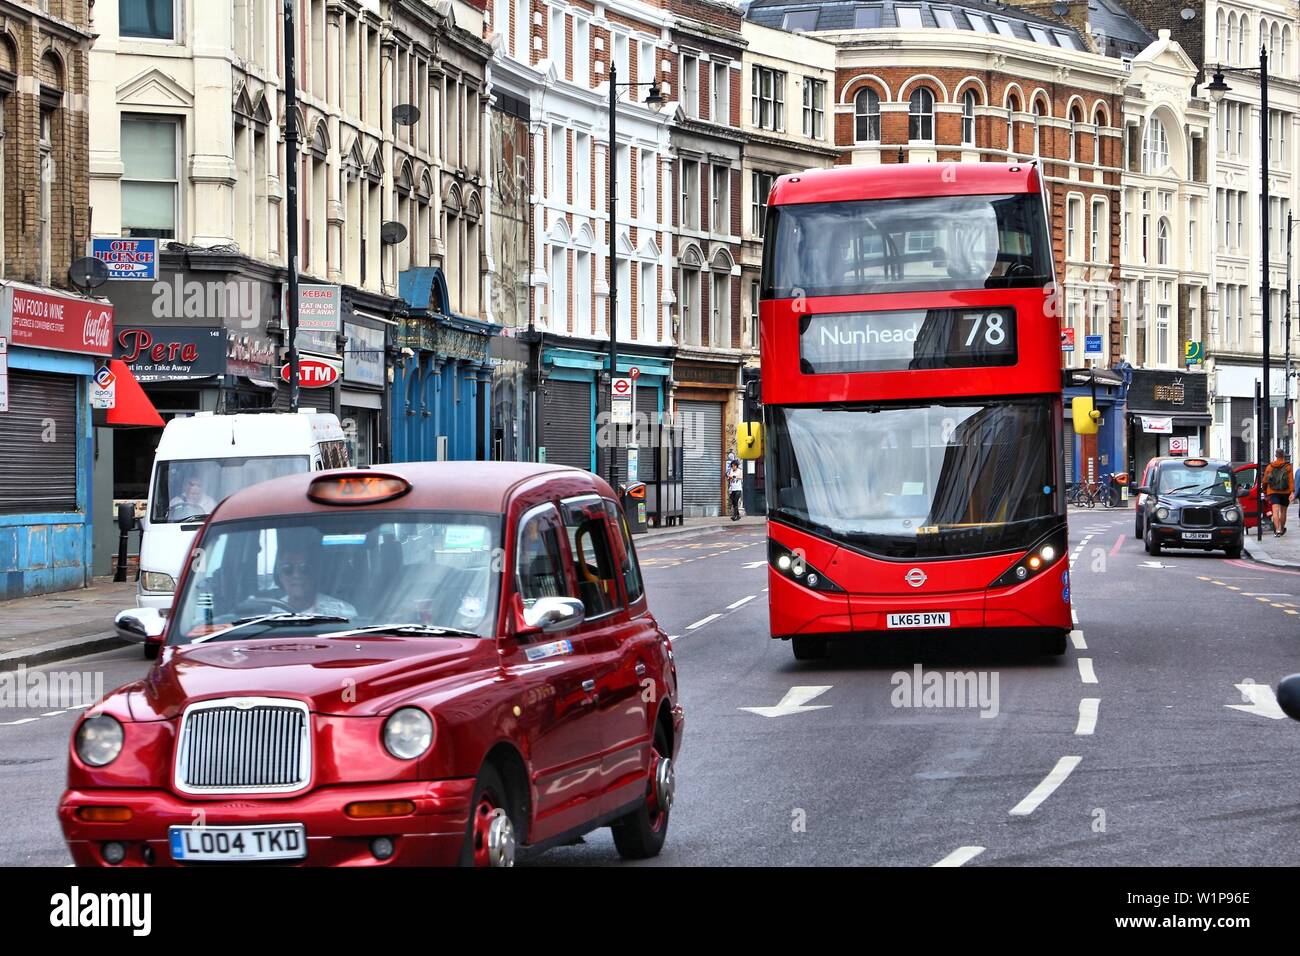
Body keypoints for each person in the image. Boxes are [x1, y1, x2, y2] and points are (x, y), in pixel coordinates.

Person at [273, 545, 357, 617]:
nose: (296, 575)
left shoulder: (344, 612)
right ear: (280, 576)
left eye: (304, 568)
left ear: (315, 574)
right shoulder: (275, 609)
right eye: (287, 569)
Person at [1262, 448, 1294, 537]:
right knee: (1283, 512)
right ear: (1283, 455)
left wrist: (1265, 491)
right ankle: (1282, 528)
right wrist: (1292, 492)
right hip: (1285, 492)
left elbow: (1265, 481)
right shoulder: (1288, 467)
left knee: (1275, 512)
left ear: (1276, 455)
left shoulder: (1270, 467)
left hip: (1273, 492)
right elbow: (1291, 480)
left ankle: (1278, 530)